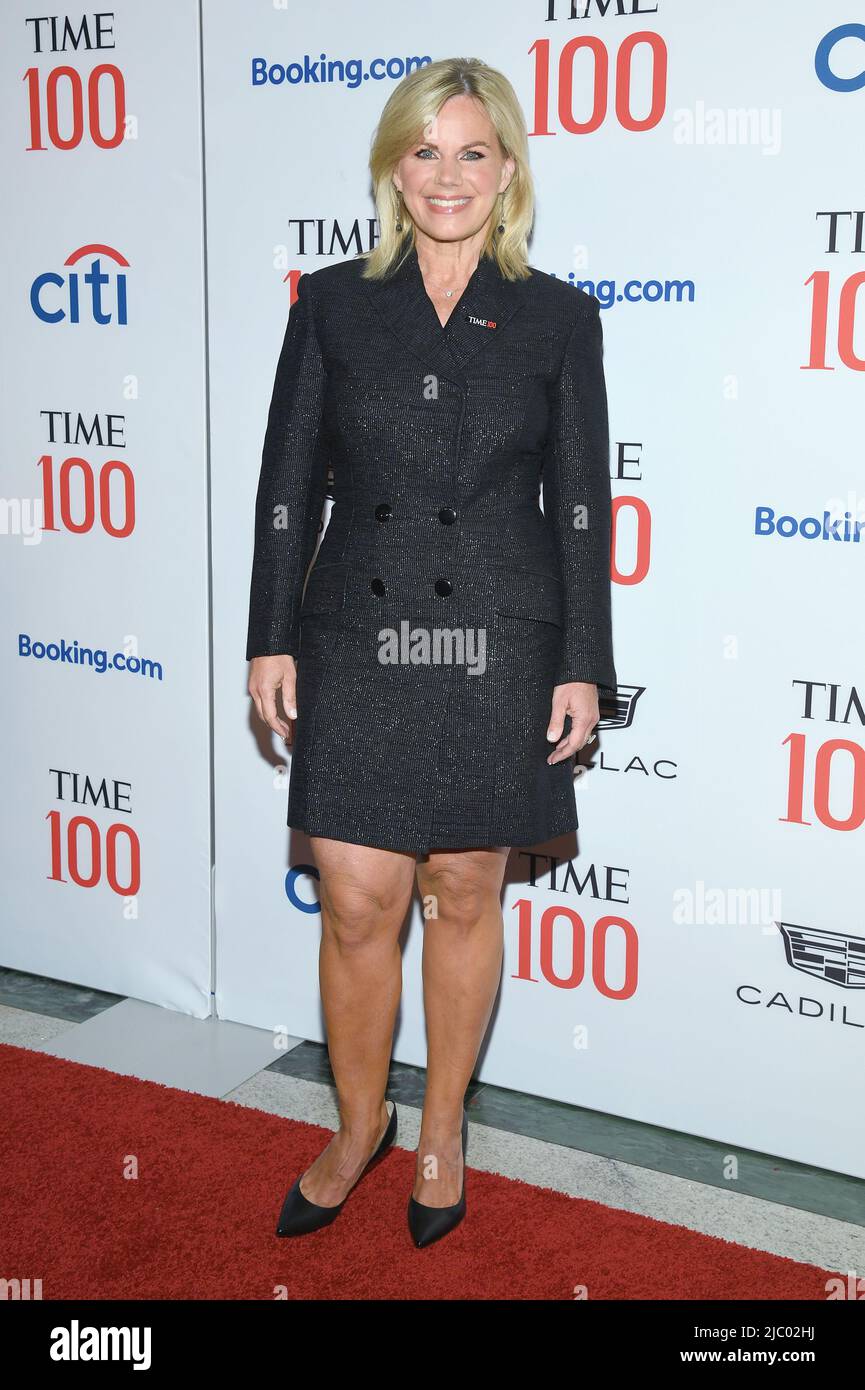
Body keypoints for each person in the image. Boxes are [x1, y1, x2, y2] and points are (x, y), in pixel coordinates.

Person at [246, 56, 617, 1249]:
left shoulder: (560, 314)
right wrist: (268, 636)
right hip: (356, 630)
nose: (445, 174)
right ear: (390, 167)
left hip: (496, 643)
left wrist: (581, 660)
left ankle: (443, 1129)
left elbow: (579, 506)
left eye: (471, 151)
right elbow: (287, 486)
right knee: (356, 903)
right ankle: (359, 1128)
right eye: (423, 150)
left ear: (506, 169)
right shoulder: (334, 302)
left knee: (464, 891)